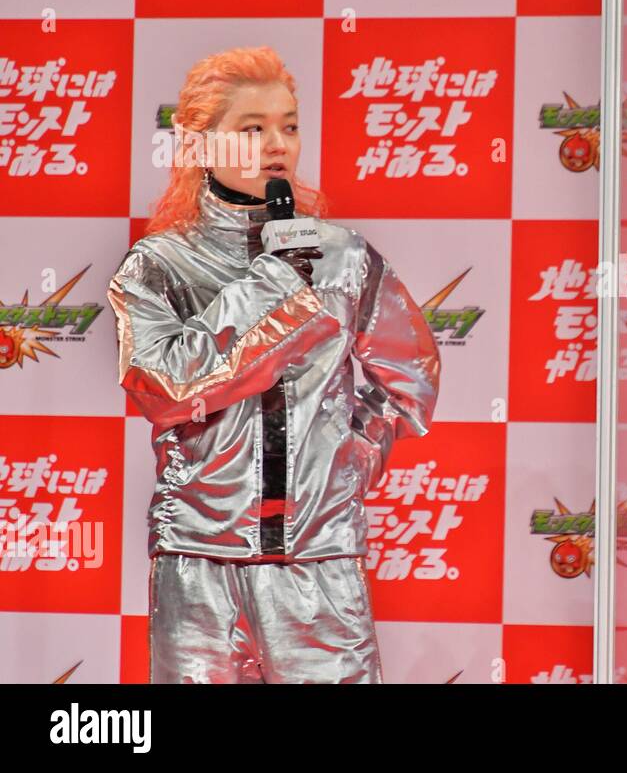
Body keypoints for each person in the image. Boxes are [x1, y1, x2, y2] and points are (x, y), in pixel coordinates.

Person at [106, 46, 440, 683]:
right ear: (200, 145)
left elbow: (411, 376)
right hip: (198, 562)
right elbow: (166, 388)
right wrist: (274, 281)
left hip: (320, 562)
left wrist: (350, 459)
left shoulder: (343, 256)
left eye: (288, 124)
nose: (277, 143)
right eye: (252, 128)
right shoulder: (158, 266)